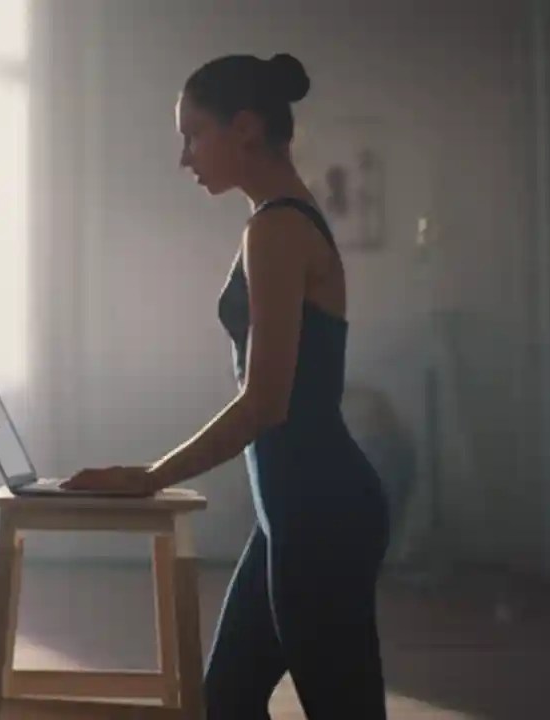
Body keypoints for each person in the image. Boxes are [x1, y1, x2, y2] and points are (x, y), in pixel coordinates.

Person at [61, 53, 391, 719]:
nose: (184, 157)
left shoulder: (276, 228)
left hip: (320, 513)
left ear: (244, 128)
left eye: (193, 134)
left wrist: (152, 476)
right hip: (295, 513)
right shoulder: (276, 222)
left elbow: (266, 403)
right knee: (228, 701)